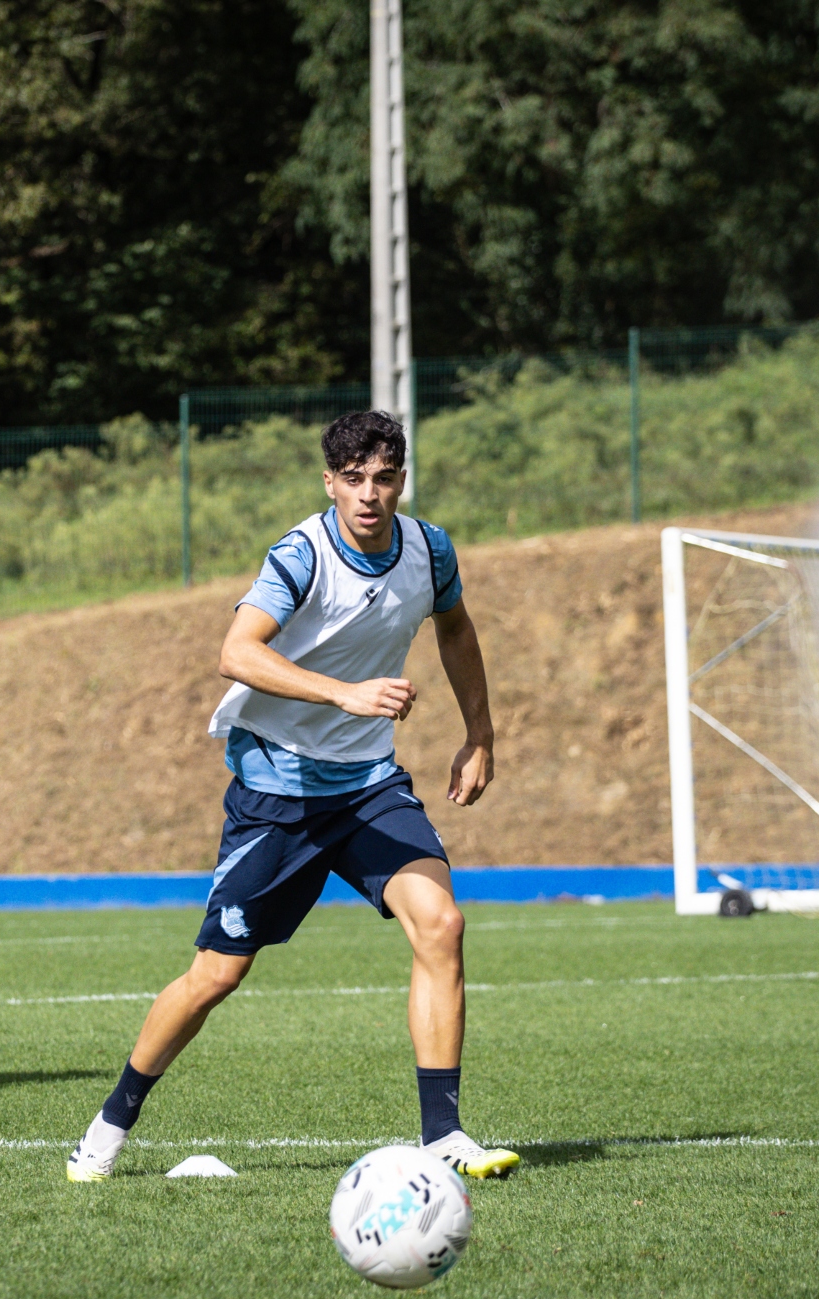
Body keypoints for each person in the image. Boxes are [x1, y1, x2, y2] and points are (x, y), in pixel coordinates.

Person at [65, 410, 519, 1182]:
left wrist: (480, 734)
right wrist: (342, 694)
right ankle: (110, 1124)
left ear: (400, 480)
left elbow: (457, 629)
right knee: (216, 975)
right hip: (278, 790)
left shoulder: (429, 550)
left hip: (369, 786)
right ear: (329, 482)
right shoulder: (301, 555)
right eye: (353, 479)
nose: (369, 495)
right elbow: (235, 652)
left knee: (441, 924)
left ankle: (442, 1136)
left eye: (383, 478)